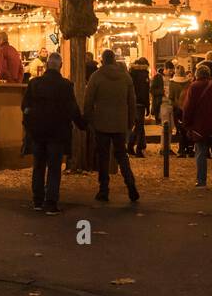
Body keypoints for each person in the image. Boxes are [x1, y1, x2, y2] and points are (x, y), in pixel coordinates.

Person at [21, 52, 86, 214]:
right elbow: (72, 109)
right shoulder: (65, 85)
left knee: (38, 166)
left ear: (47, 65)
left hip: (37, 131)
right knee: (54, 167)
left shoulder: (34, 83)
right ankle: (50, 203)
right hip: (57, 131)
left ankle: (37, 200)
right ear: (60, 66)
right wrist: (82, 124)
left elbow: (25, 105)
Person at [83, 48, 140, 204]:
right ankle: (131, 185)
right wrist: (130, 121)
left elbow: (88, 100)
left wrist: (87, 118)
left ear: (102, 60)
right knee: (122, 155)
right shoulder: (125, 77)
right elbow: (131, 101)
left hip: (101, 122)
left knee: (103, 157)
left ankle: (104, 189)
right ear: (114, 60)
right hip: (120, 122)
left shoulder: (96, 77)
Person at [182, 63, 212, 189]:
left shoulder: (193, 87)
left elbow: (188, 108)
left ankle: (201, 181)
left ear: (197, 74)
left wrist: (187, 124)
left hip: (200, 127)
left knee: (201, 152)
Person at [168, 64, 193, 156]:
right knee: (188, 128)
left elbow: (170, 97)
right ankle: (189, 149)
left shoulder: (172, 83)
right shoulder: (189, 82)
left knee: (180, 129)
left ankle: (182, 149)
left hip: (177, 108)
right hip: (188, 107)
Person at [128, 57, 151, 156]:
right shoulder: (144, 74)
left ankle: (132, 146)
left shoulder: (131, 73)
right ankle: (138, 148)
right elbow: (145, 92)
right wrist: (147, 105)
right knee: (139, 126)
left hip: (133, 102)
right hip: (140, 103)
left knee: (138, 126)